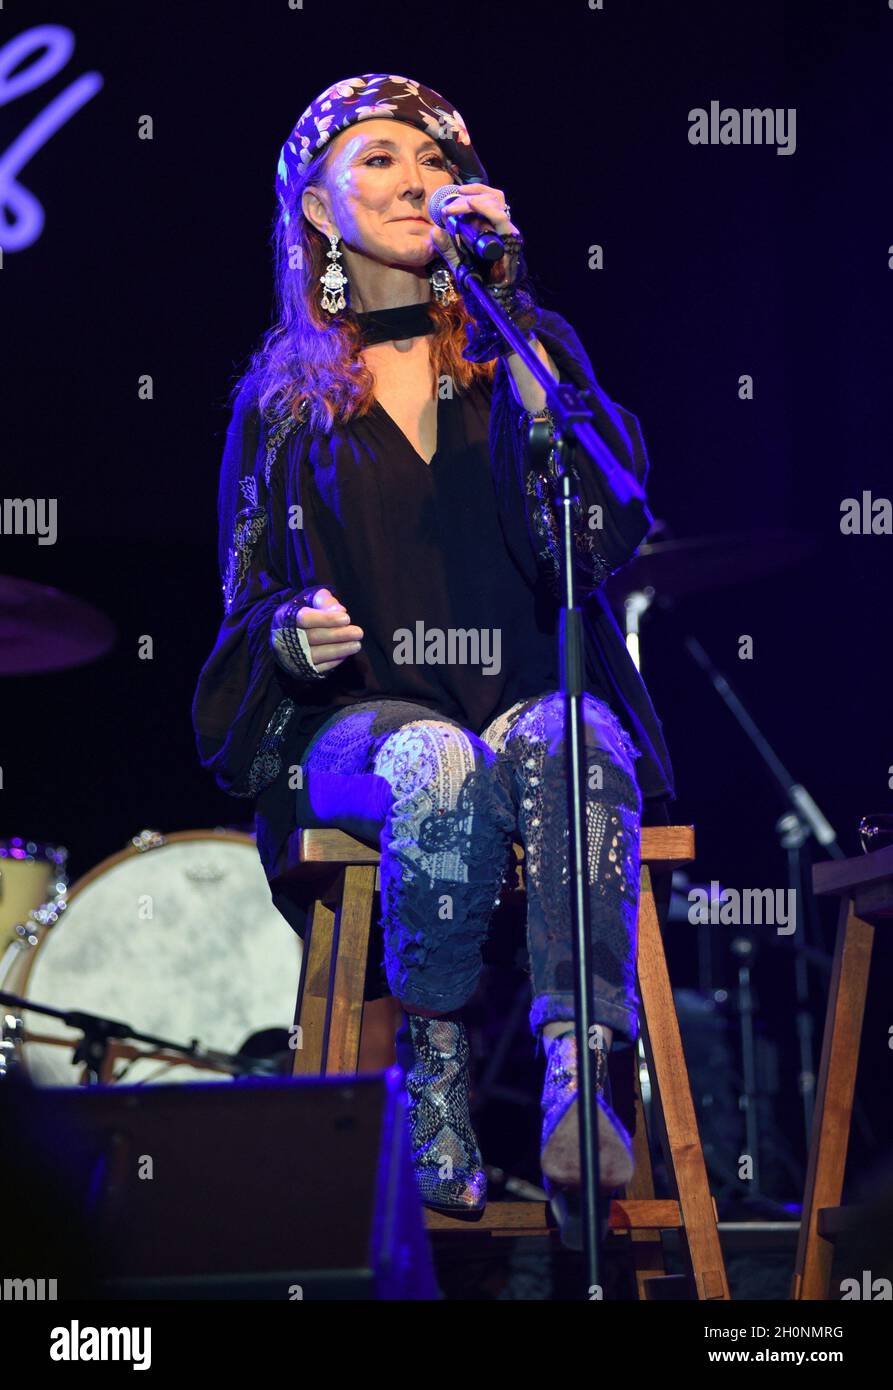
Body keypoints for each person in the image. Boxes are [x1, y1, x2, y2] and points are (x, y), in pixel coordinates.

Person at [191, 74, 675, 1239]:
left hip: (523, 698)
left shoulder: (524, 354)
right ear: (314, 212)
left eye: (433, 160)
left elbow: (602, 530)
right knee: (437, 764)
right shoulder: (279, 404)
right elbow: (243, 607)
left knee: (568, 735)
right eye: (377, 160)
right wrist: (289, 637)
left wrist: (509, 316)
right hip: (360, 721)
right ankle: (437, 1079)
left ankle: (576, 1078)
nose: (415, 179)